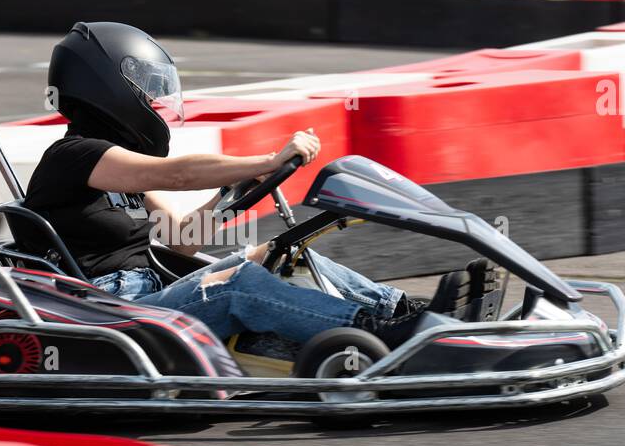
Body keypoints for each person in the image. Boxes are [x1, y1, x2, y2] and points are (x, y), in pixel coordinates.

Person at [23, 22, 450, 348]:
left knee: (281, 253)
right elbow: (176, 174)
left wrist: (236, 193)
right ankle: (372, 337)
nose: (153, 104)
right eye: (145, 91)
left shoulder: (118, 175)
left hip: (155, 295)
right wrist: (267, 160)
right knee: (239, 282)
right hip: (114, 313)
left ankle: (402, 311)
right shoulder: (73, 157)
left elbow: (181, 241)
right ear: (108, 87)